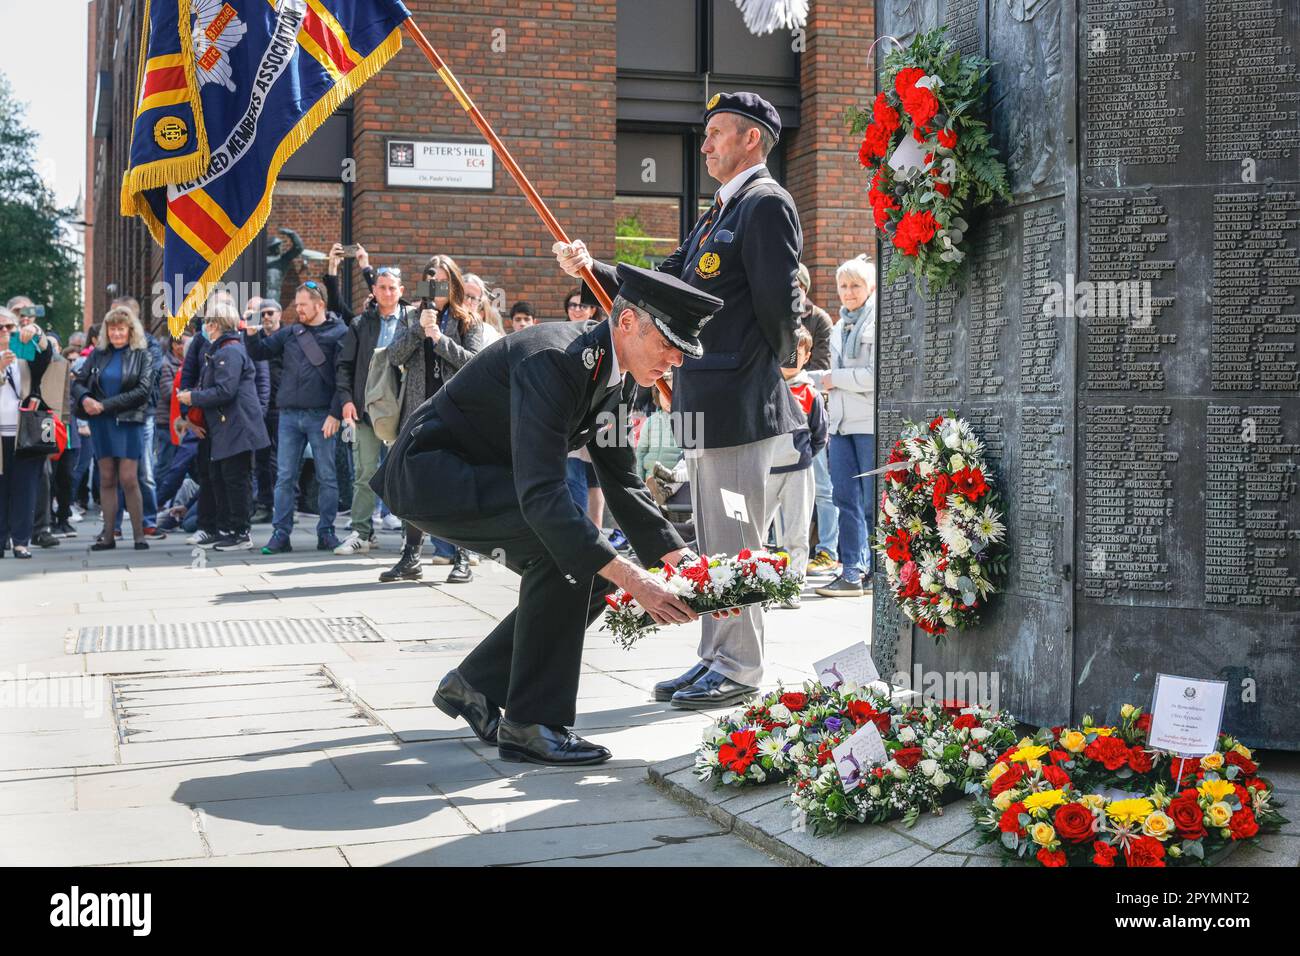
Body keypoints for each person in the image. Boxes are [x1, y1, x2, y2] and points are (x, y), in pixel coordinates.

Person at [373, 264, 720, 765]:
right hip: (433, 474)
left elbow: (620, 479)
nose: (675, 361)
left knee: (592, 570)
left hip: (486, 475)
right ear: (626, 324)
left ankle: (474, 685)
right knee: (570, 554)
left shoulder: (618, 377)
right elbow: (543, 494)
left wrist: (687, 568)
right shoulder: (554, 360)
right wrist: (635, 580)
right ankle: (531, 722)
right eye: (668, 344)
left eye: (681, 350)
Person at [557, 91, 804, 710]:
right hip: (709, 403)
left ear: (752, 139)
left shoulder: (765, 204)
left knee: (736, 540)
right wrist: (596, 267)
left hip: (739, 405)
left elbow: (778, 307)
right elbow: (668, 282)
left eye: (717, 132)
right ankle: (715, 657)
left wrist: (768, 368)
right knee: (718, 540)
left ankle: (741, 669)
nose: (706, 143)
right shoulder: (720, 209)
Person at [379, 255, 485, 583]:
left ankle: (462, 556)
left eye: (441, 282)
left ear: (451, 284)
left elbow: (474, 365)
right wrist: (418, 331)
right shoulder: (411, 316)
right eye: (430, 281)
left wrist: (439, 339)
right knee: (415, 485)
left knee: (457, 486)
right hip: (418, 411)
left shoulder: (467, 319)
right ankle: (411, 557)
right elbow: (394, 356)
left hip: (455, 413)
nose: (435, 289)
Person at [244, 281, 348, 554]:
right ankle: (281, 534)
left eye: (302, 305)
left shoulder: (340, 332)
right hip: (288, 416)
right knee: (285, 477)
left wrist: (335, 414)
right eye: (297, 304)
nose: (298, 309)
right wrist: (253, 320)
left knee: (327, 477)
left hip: (321, 416)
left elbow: (344, 378)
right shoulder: (291, 332)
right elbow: (258, 351)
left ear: (320, 305)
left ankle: (326, 532)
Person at [333, 260, 412, 556]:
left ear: (400, 290)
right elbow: (344, 366)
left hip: (403, 409)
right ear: (374, 290)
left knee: (403, 473)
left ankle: (409, 535)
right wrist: (346, 400)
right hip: (367, 409)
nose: (388, 292)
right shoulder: (360, 324)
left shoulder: (412, 321)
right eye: (382, 287)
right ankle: (362, 532)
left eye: (393, 287)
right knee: (365, 472)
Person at [177, 303, 271, 550]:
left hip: (236, 427)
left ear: (215, 325)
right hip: (229, 427)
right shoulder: (226, 349)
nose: (205, 327)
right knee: (223, 478)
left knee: (235, 480)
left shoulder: (228, 352)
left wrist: (193, 398)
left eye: (208, 322)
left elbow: (225, 391)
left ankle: (240, 532)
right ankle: (228, 528)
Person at [812, 255, 877, 598]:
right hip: (840, 426)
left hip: (867, 423)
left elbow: (874, 377)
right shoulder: (839, 326)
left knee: (871, 503)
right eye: (843, 286)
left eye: (855, 285)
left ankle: (878, 571)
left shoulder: (876, 323)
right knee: (843, 499)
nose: (848, 292)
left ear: (870, 288)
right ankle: (853, 569)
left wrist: (832, 379)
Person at [72, 306, 156, 551]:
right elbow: (78, 381)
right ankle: (108, 536)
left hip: (129, 421)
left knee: (129, 478)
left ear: (130, 330)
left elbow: (143, 391)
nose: (117, 333)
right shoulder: (98, 355)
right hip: (102, 423)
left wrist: (104, 405)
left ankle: (139, 536)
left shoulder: (143, 355)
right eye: (113, 329)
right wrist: (86, 398)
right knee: (107, 478)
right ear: (107, 331)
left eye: (121, 328)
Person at [767, 325, 826, 608]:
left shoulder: (810, 393)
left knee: (796, 532)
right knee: (752, 530)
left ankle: (791, 587)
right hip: (764, 470)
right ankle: (756, 583)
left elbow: (819, 434)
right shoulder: (765, 387)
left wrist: (801, 455)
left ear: (806, 355)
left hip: (798, 471)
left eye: (796, 352)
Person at [797, 262, 840, 576]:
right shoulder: (772, 311)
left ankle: (827, 550)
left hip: (810, 408)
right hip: (779, 408)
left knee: (822, 486)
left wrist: (791, 377)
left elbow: (822, 368)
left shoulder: (819, 319)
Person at [0, 307, 53, 558]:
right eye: (0, 327)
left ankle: (21, 541)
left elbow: (47, 356)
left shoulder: (23, 352)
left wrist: (37, 332)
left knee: (26, 486)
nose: (5, 332)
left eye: (9, 327)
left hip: (25, 431)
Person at [246, 298, 284, 524]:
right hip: (261, 407)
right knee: (261, 459)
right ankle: (264, 503)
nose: (267, 317)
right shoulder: (255, 340)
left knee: (281, 460)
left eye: (270, 313)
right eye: (263, 314)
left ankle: (284, 504)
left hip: (280, 407)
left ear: (279, 314)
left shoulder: (286, 338)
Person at [462, 273, 504, 343]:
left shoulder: (488, 333)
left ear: (480, 303)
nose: (468, 301)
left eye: (473, 298)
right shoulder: (443, 324)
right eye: (465, 296)